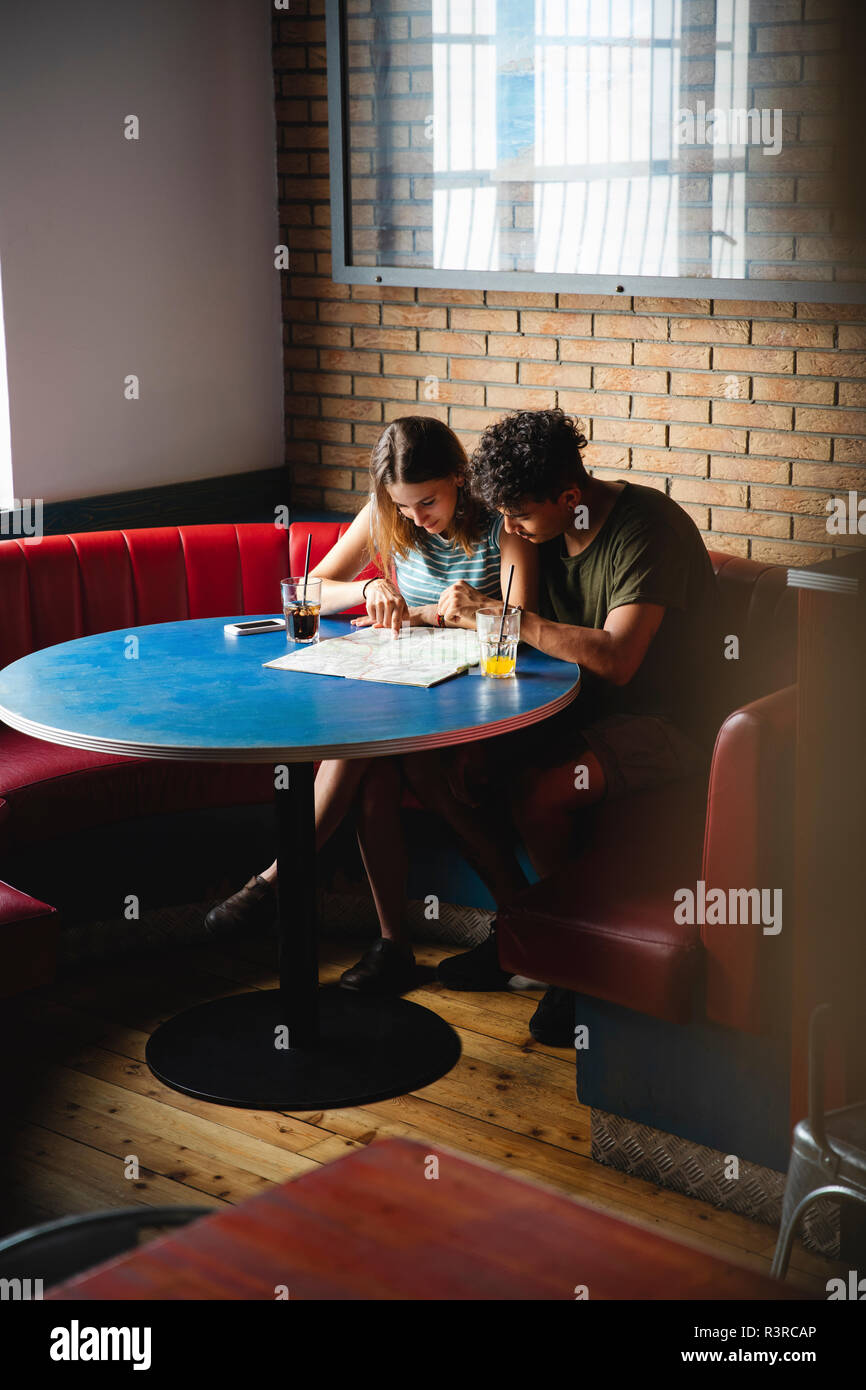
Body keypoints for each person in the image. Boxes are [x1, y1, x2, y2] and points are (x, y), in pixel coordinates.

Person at [401, 408, 721, 1043]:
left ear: (570, 497)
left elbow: (617, 658)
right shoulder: (549, 537)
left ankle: (569, 965)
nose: (511, 530)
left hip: (672, 724)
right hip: (580, 713)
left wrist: (502, 618)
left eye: (518, 517)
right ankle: (522, 929)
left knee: (540, 788)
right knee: (437, 763)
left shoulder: (645, 527)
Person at [205, 415, 537, 994]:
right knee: (373, 762)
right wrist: (364, 588)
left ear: (459, 477)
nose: (415, 519)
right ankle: (393, 945)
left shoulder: (498, 523)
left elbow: (520, 617)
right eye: (402, 507)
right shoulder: (385, 515)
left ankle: (281, 885)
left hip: (480, 696)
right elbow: (306, 588)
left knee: (383, 751)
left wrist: (434, 612)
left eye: (427, 502)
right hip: (405, 684)